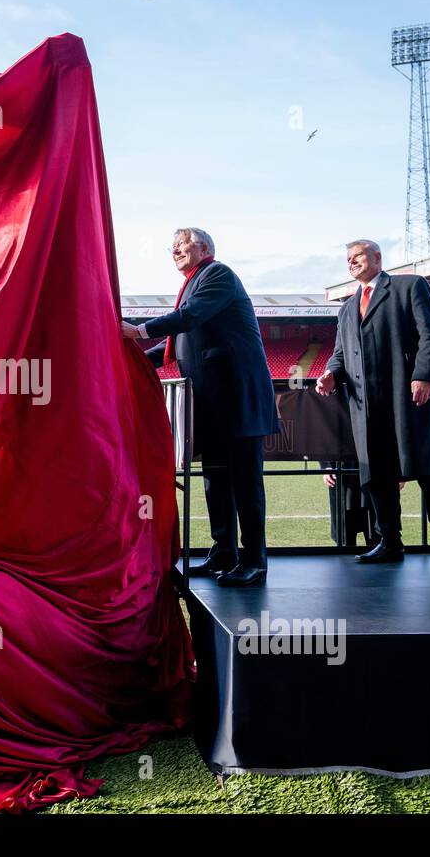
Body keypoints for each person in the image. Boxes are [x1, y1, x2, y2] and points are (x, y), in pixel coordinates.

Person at [122, 227, 280, 587]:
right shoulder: (193, 282)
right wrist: (129, 360)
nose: (174, 250)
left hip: (239, 399)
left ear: (205, 247)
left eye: (182, 244)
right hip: (212, 405)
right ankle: (224, 551)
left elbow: (189, 317)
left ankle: (254, 559)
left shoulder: (217, 275)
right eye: (171, 246)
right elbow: (178, 347)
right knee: (215, 481)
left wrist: (138, 330)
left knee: (245, 483)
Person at [315, 240, 430, 567]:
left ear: (378, 257)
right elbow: (341, 353)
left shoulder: (410, 286)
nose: (352, 262)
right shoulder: (347, 308)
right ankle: (390, 542)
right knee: (377, 478)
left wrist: (424, 375)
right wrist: (330, 374)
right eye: (348, 259)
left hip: (408, 400)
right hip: (366, 408)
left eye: (358, 256)